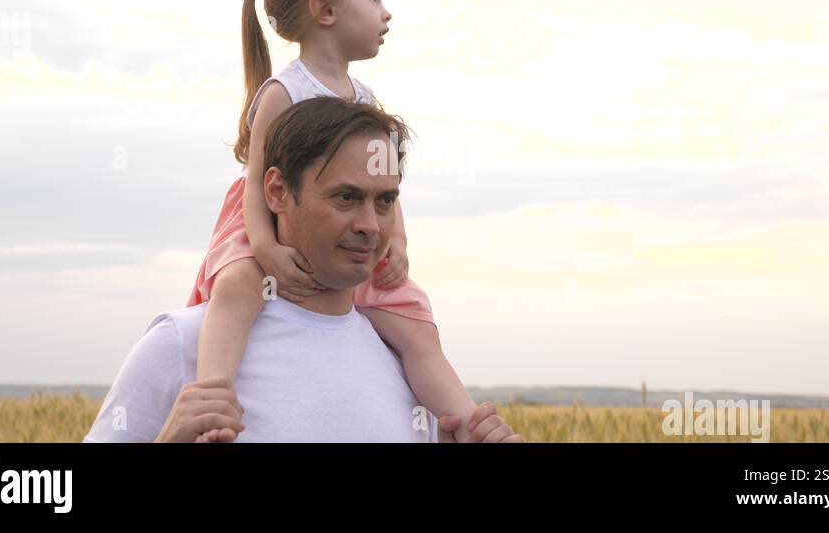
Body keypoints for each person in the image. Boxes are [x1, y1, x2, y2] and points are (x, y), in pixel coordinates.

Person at [84, 97, 521, 442]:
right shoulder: (181, 346)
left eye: (385, 201)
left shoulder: (406, 366)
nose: (369, 226)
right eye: (345, 198)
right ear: (276, 192)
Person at [187, 0, 480, 442]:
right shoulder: (284, 92)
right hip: (270, 223)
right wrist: (266, 250)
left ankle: (473, 425)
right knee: (237, 287)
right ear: (324, 10)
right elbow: (257, 184)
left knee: (415, 323)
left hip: (347, 235)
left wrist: (397, 242)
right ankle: (212, 401)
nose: (386, 14)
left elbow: (384, 187)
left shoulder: (365, 98)